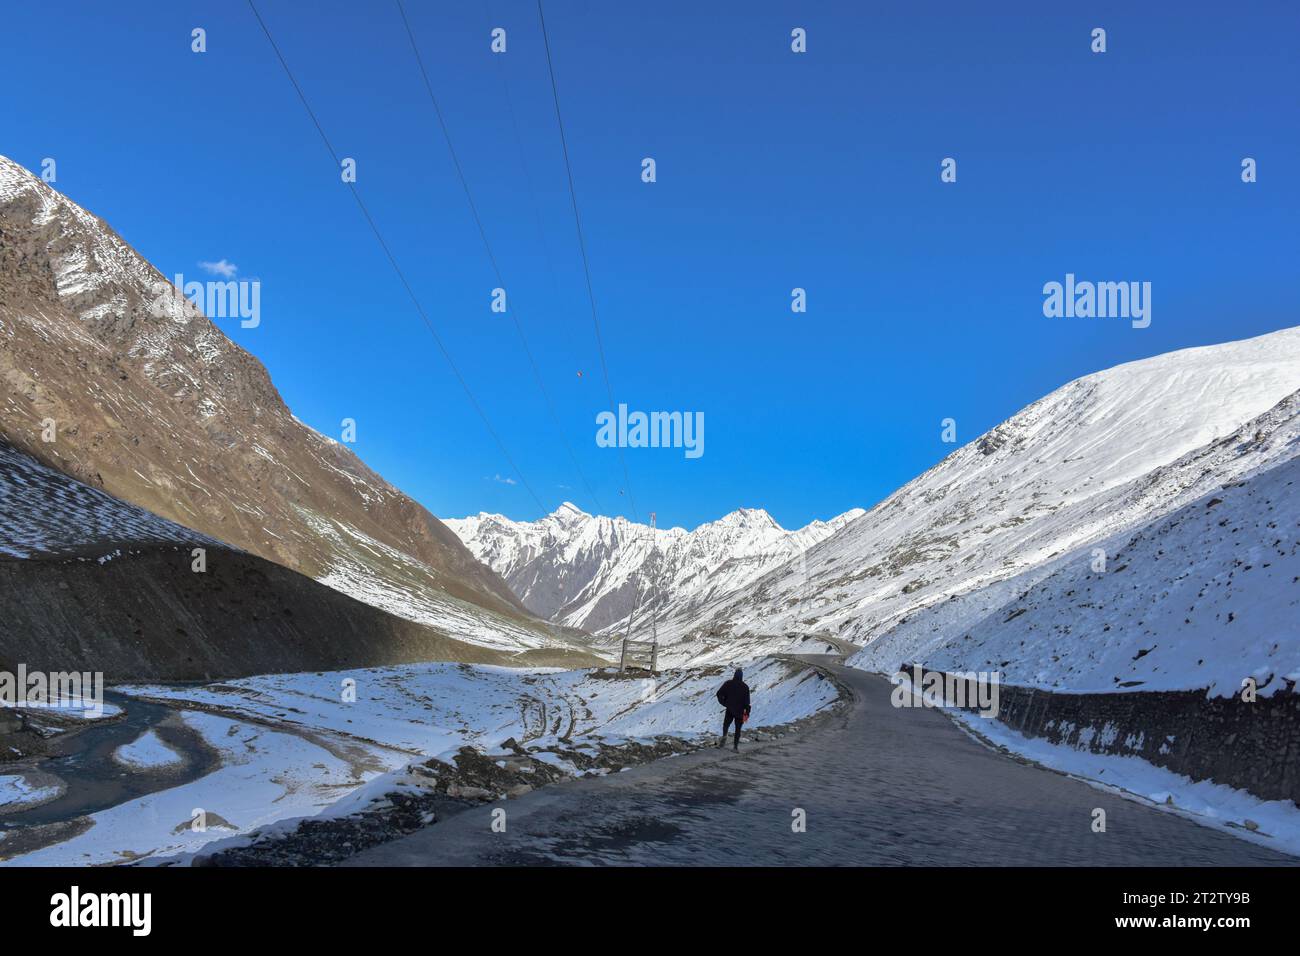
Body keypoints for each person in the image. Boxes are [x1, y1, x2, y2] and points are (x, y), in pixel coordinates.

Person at [715, 668, 751, 751]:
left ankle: (722, 743)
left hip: (730, 709)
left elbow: (719, 694)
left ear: (734, 675)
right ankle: (735, 747)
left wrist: (724, 703)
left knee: (726, 725)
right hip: (740, 712)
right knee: (737, 729)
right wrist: (747, 713)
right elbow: (747, 703)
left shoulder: (728, 683)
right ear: (741, 676)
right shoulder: (745, 687)